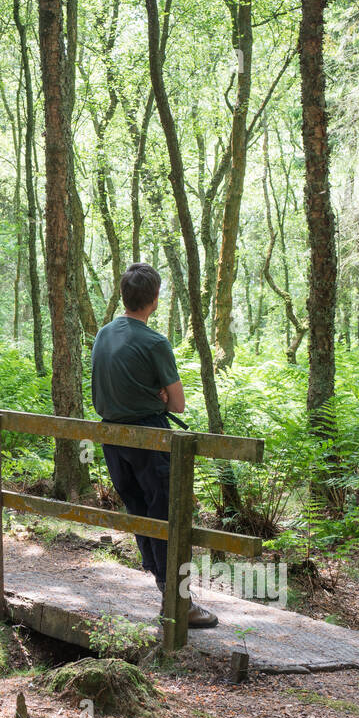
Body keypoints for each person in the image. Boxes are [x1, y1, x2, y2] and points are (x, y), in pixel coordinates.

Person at [90, 262, 218, 628]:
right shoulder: (155, 342)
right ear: (155, 300)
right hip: (150, 437)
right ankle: (178, 602)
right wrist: (158, 397)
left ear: (123, 296)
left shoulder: (103, 334)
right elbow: (177, 404)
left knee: (142, 513)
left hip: (113, 439)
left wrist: (148, 394)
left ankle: (165, 589)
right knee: (169, 516)